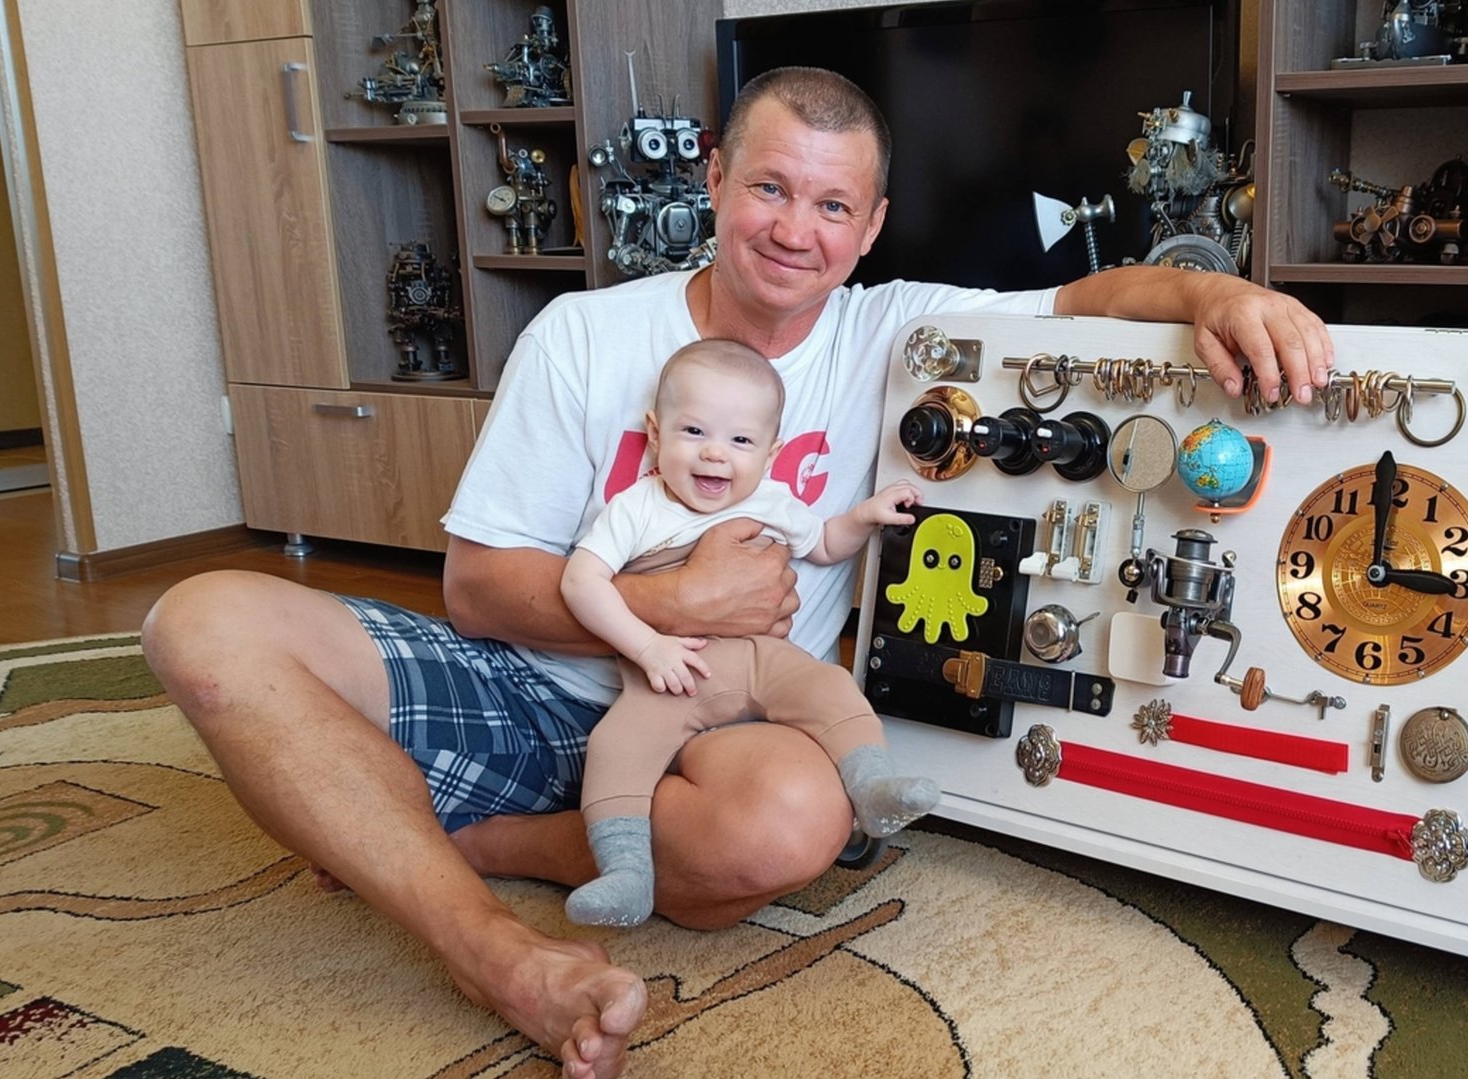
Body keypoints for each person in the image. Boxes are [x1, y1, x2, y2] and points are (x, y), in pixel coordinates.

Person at [140, 65, 1334, 1079]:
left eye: (832, 204)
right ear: (714, 178)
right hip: (533, 688)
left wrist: (1219, 291)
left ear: (871, 226)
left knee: (794, 825)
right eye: (768, 187)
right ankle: (495, 952)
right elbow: (475, 589)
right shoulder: (584, 334)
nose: (794, 229)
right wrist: (667, 604)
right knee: (203, 623)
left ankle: (495, 840)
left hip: (720, 727)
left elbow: (1094, 295)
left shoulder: (903, 335)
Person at [559, 338, 936, 928]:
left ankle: (872, 784)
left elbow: (824, 543)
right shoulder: (638, 507)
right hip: (671, 674)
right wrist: (647, 645)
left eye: (740, 441)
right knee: (614, 747)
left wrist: (865, 515)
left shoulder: (772, 500)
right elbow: (581, 581)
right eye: (693, 432)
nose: (715, 453)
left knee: (827, 685)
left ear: (771, 452)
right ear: (656, 434)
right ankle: (626, 874)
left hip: (763, 660)